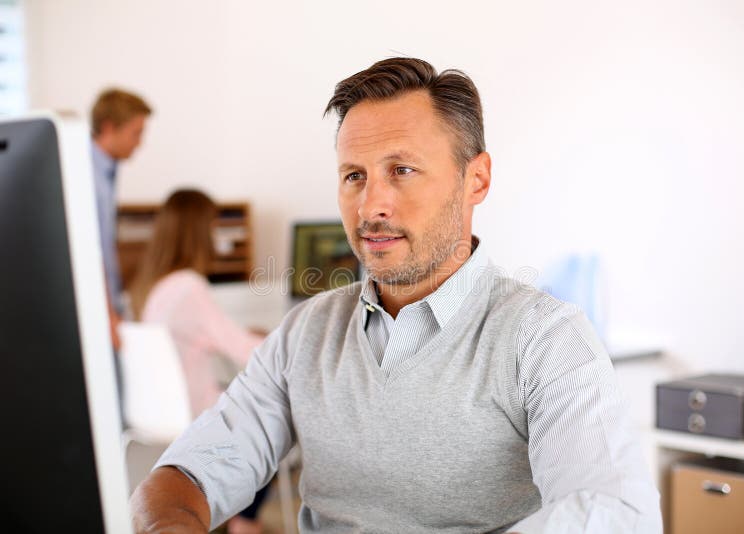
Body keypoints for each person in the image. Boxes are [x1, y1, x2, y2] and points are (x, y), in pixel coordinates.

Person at [131, 58, 662, 533]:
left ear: (475, 180)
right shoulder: (304, 334)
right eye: (353, 176)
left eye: (401, 170)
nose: (370, 205)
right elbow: (183, 476)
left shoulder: (545, 338)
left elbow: (617, 513)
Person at [129, 189, 268, 534]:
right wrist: (285, 339)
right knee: (271, 413)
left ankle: (237, 518)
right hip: (193, 408)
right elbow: (241, 348)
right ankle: (245, 524)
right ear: (198, 232)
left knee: (239, 395)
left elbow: (209, 334)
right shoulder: (188, 286)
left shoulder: (153, 287)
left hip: (158, 409)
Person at [90, 88, 152, 320]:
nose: (139, 143)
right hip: (100, 311)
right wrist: (109, 315)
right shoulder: (88, 176)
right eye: (136, 133)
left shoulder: (107, 172)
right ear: (108, 128)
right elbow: (92, 250)